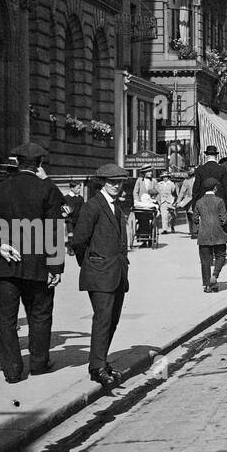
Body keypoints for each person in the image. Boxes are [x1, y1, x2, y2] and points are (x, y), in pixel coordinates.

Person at [0, 143, 65, 384]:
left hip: (3, 265)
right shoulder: (46, 190)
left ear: (17, 162)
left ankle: (12, 370)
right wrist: (56, 267)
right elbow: (54, 230)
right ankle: (38, 364)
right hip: (38, 265)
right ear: (39, 164)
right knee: (39, 314)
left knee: (6, 319)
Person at [70, 164, 131, 388]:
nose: (116, 185)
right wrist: (89, 263)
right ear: (102, 182)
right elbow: (78, 240)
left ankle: (102, 362)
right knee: (103, 319)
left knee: (112, 320)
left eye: (119, 181)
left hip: (117, 272)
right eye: (111, 181)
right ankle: (96, 368)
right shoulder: (92, 206)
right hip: (99, 272)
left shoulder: (116, 206)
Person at [193, 177, 227, 292]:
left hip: (204, 235)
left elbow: (195, 218)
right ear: (215, 188)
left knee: (205, 260)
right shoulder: (219, 201)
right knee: (221, 255)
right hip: (218, 234)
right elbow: (224, 219)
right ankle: (215, 275)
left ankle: (208, 285)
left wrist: (200, 228)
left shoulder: (199, 201)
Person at [175, 171, 195, 237]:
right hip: (189, 201)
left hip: (198, 200)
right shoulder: (186, 181)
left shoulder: (201, 180)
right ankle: (192, 231)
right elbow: (182, 191)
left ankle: (196, 231)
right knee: (190, 215)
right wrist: (178, 201)